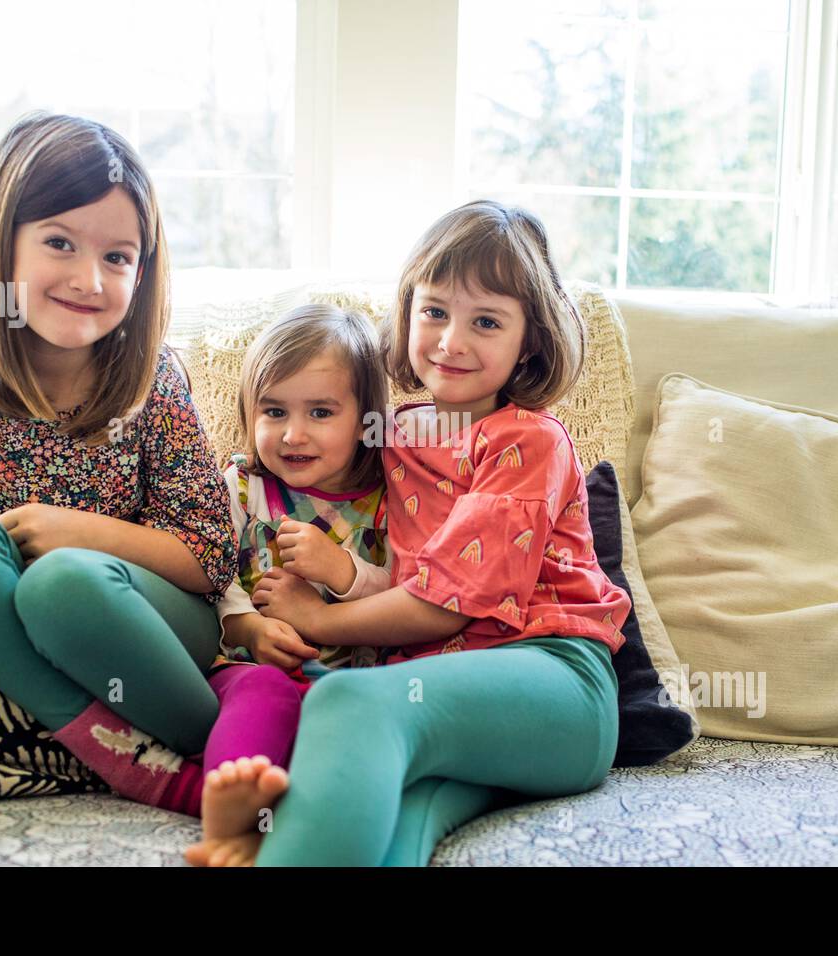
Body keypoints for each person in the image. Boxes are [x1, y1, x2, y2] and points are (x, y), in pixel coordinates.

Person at [187, 199, 630, 866]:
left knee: (349, 703)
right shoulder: (391, 434)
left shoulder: (526, 441)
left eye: (486, 320)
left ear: (529, 341)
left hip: (554, 682)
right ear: (407, 312)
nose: (451, 340)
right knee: (400, 827)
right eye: (434, 311)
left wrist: (317, 619)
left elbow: (444, 601)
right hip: (438, 700)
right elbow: (313, 471)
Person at [0, 111, 237, 818]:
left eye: (118, 257)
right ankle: (108, 746)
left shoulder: (153, 383)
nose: (88, 278)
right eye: (60, 243)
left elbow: (211, 555)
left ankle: (194, 739)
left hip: (144, 622)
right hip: (10, 626)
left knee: (62, 586)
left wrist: (80, 533)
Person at [191, 304, 391, 863]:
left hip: (351, 686)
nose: (293, 434)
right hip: (248, 673)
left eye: (321, 412)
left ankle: (308, 824)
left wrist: (344, 572)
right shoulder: (243, 487)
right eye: (274, 411)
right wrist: (247, 624)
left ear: (366, 419)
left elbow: (414, 591)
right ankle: (228, 816)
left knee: (359, 726)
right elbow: (208, 568)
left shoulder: (389, 502)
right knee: (263, 697)